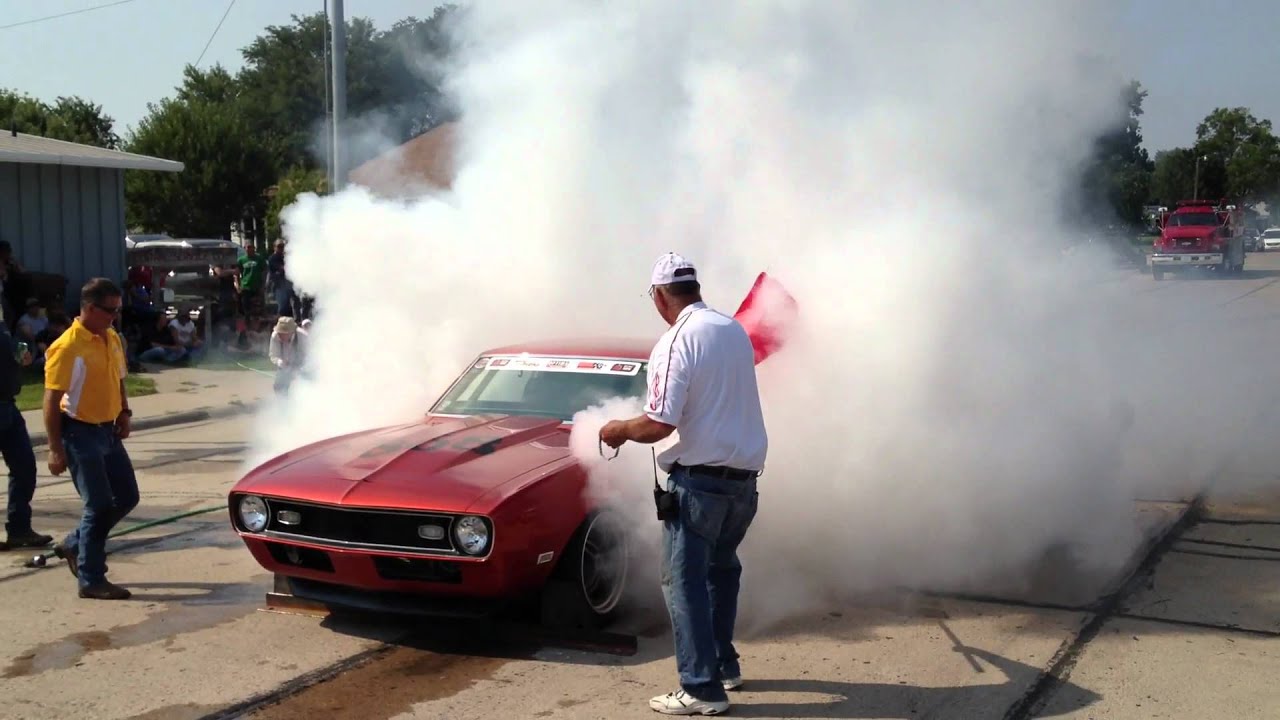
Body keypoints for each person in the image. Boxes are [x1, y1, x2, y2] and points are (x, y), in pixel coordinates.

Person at [599, 252, 768, 716]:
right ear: (694, 287)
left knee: (682, 583)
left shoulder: (676, 340)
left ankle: (700, 688)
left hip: (700, 485)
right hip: (743, 484)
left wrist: (616, 430)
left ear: (659, 296)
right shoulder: (732, 330)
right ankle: (723, 665)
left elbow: (658, 424)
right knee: (720, 571)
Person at [44, 278, 138, 600]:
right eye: (109, 311)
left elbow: (119, 378)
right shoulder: (67, 347)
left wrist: (124, 412)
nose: (115, 317)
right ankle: (91, 578)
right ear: (89, 308)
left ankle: (74, 544)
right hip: (79, 432)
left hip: (108, 431)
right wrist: (55, 449)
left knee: (127, 497)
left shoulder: (111, 337)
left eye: (118, 310)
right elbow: (50, 399)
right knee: (98, 505)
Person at [0, 319, 50, 551]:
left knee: (25, 468)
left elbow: (15, 349)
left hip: (8, 405)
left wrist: (23, 353)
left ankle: (19, 530)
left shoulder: (3, 327)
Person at [268, 315, 305, 394]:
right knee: (278, 387)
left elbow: (309, 355)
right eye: (279, 332)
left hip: (301, 366)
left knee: (305, 386)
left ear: (291, 332)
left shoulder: (303, 336)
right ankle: (283, 404)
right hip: (284, 367)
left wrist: (299, 368)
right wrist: (280, 362)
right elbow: (273, 354)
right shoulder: (275, 336)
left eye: (284, 333)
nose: (280, 335)